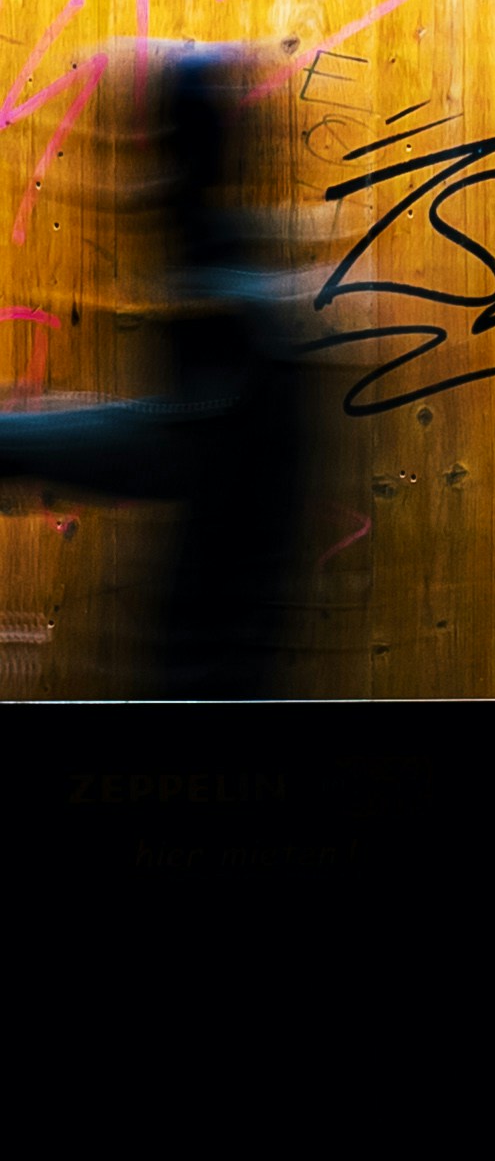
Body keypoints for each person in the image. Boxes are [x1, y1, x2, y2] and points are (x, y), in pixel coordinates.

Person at [0, 45, 324, 695]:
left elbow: (174, 445)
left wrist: (19, 437)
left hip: (211, 701)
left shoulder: (234, 300)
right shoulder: (235, 286)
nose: (127, 183)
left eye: (146, 153)